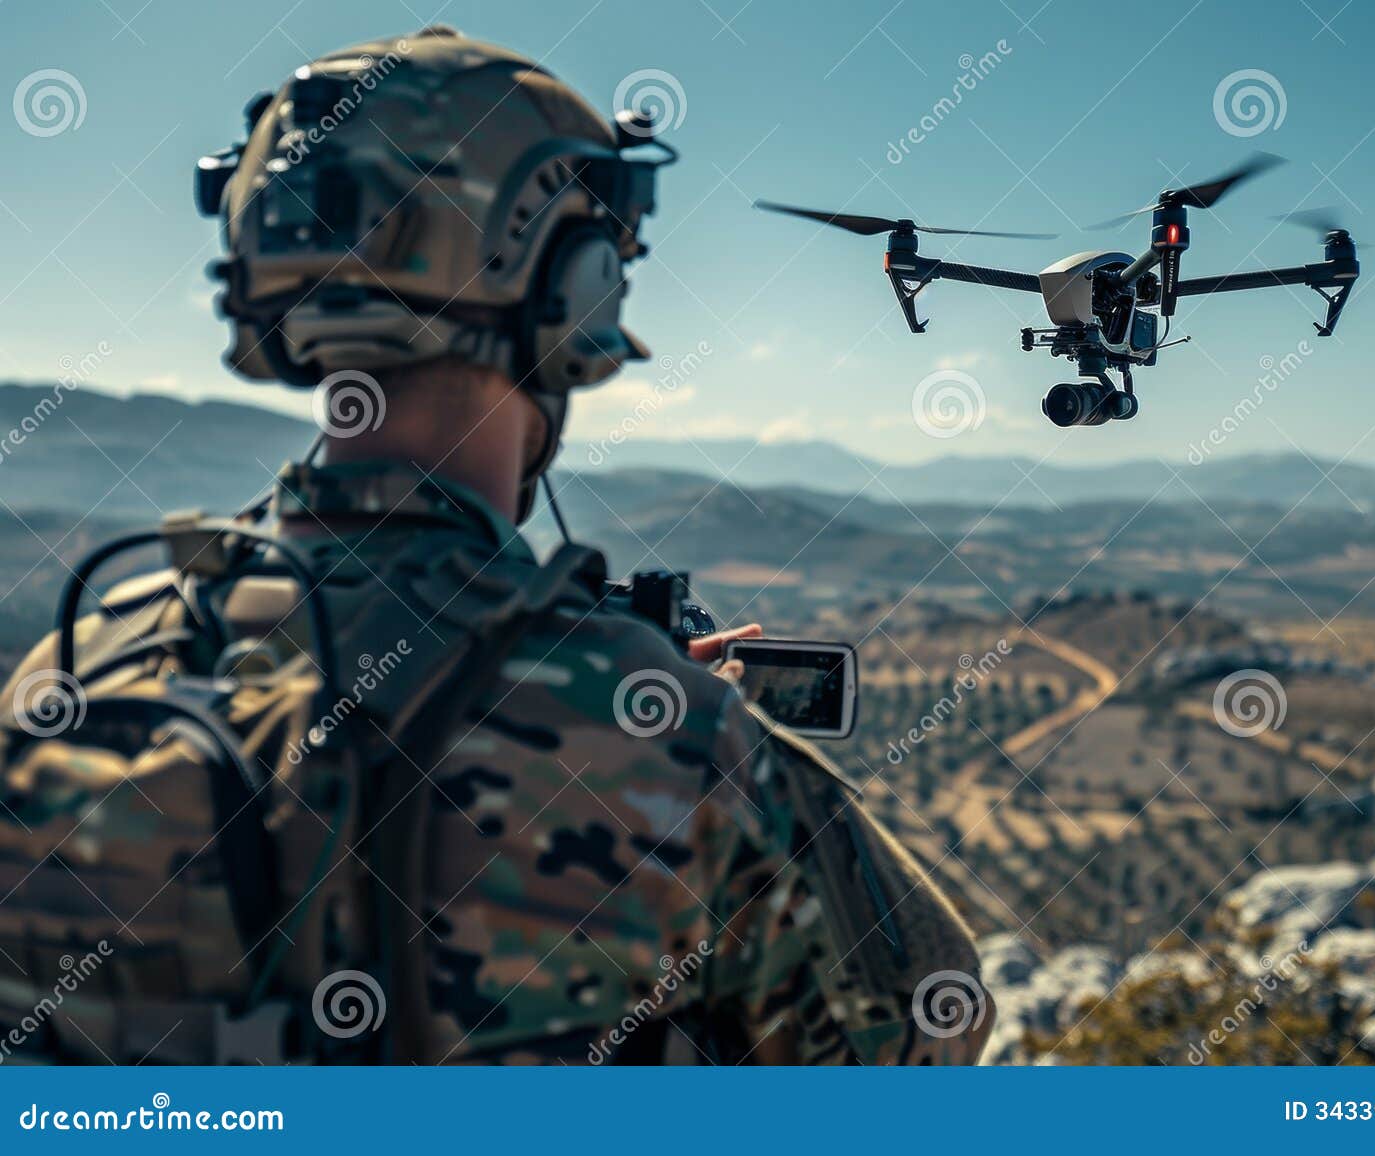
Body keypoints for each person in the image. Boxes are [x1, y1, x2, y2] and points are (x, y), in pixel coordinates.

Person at [0, 27, 990, 1065]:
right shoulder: (679, 757)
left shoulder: (76, 672)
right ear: (575, 283)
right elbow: (936, 1026)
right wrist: (682, 721)